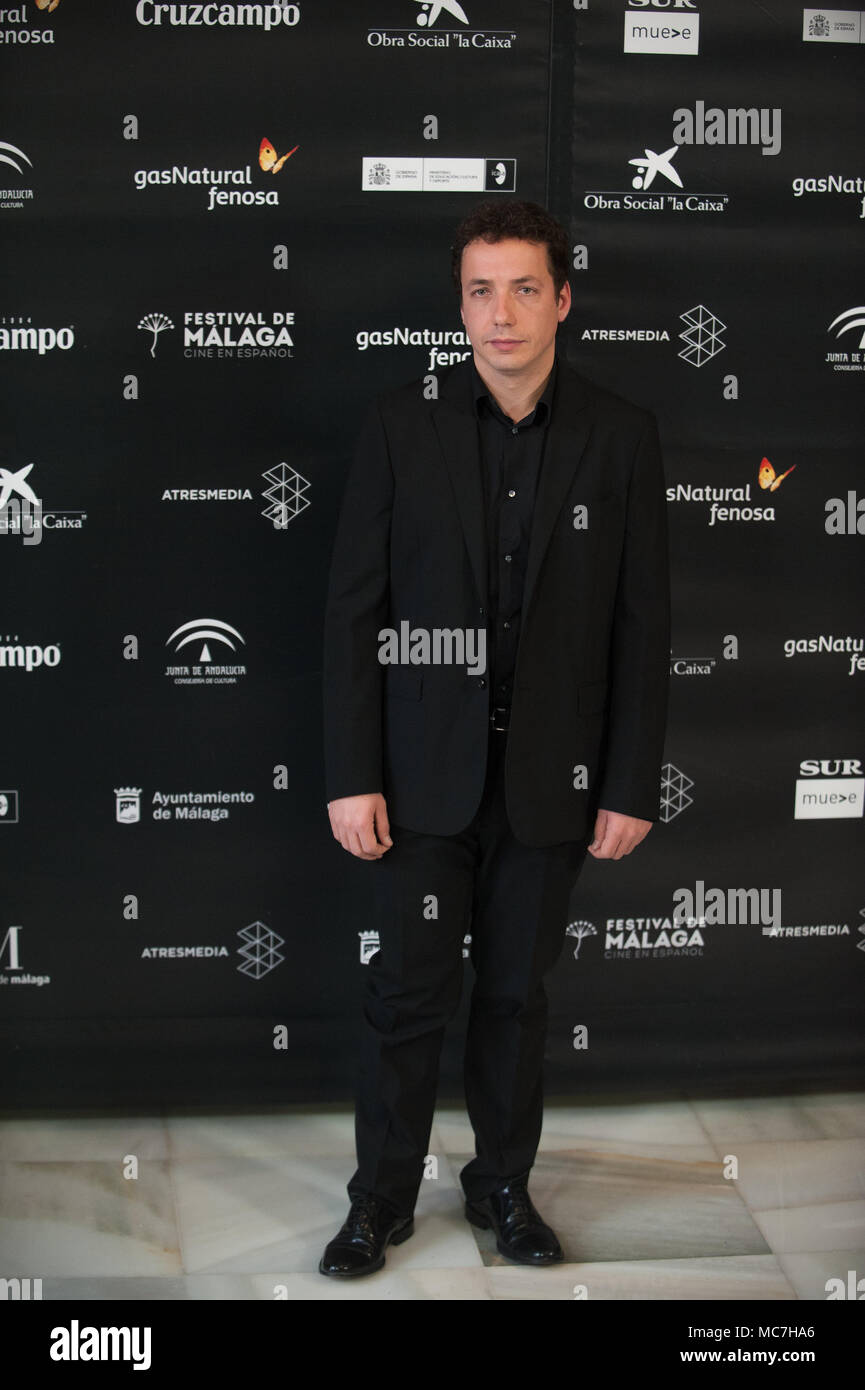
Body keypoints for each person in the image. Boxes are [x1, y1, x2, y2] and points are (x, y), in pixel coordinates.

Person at [319, 200, 670, 1277]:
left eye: (524, 287)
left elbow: (640, 626)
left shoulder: (619, 435)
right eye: (481, 289)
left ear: (562, 300)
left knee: (516, 1002)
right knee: (404, 999)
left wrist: (627, 782)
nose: (501, 312)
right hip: (422, 780)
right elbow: (354, 614)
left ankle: (503, 1192)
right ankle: (379, 1201)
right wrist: (350, 774)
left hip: (548, 788)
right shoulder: (399, 424)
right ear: (459, 304)